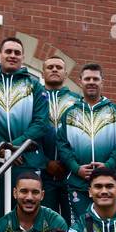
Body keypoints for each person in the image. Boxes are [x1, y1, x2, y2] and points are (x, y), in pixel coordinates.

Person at [0, 36, 51, 222]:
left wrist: (14, 146)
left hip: (27, 159)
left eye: (17, 53)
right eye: (8, 52)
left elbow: (41, 123)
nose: (12, 56)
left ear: (23, 57)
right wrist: (1, 149)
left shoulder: (35, 86)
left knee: (28, 214)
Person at [57, 63, 116, 223]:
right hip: (78, 182)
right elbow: (62, 146)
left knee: (113, 226)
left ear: (102, 82)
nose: (91, 82)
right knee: (82, 227)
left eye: (95, 79)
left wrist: (109, 164)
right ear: (80, 81)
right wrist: (76, 168)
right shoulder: (69, 113)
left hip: (110, 181)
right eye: (87, 78)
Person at [39, 55, 80, 222]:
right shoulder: (36, 98)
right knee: (46, 220)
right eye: (50, 67)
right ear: (42, 73)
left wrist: (70, 162)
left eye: (58, 67)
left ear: (65, 74)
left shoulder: (77, 101)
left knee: (72, 220)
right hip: (43, 172)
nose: (54, 70)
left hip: (70, 172)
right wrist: (45, 162)